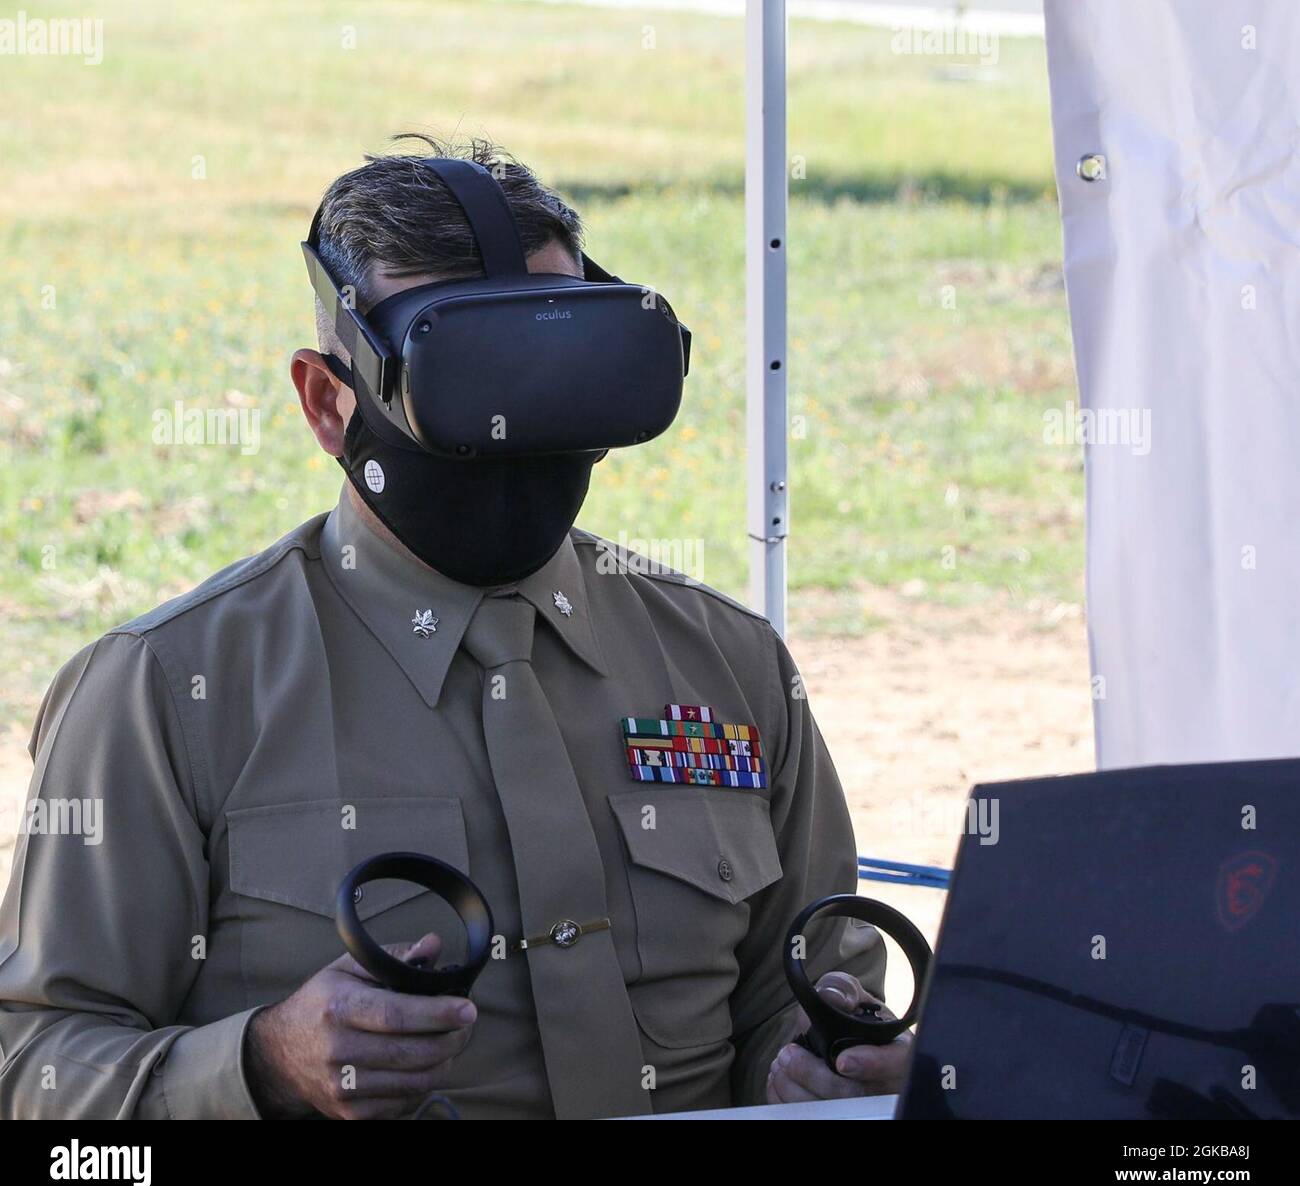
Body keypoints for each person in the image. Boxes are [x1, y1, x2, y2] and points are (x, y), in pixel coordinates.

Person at [0, 136, 909, 1119]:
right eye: (464, 373)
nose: (515, 423)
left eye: (556, 365)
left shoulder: (730, 665)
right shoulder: (167, 691)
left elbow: (808, 989)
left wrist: (824, 1064)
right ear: (324, 400)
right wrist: (261, 1067)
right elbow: (35, 1069)